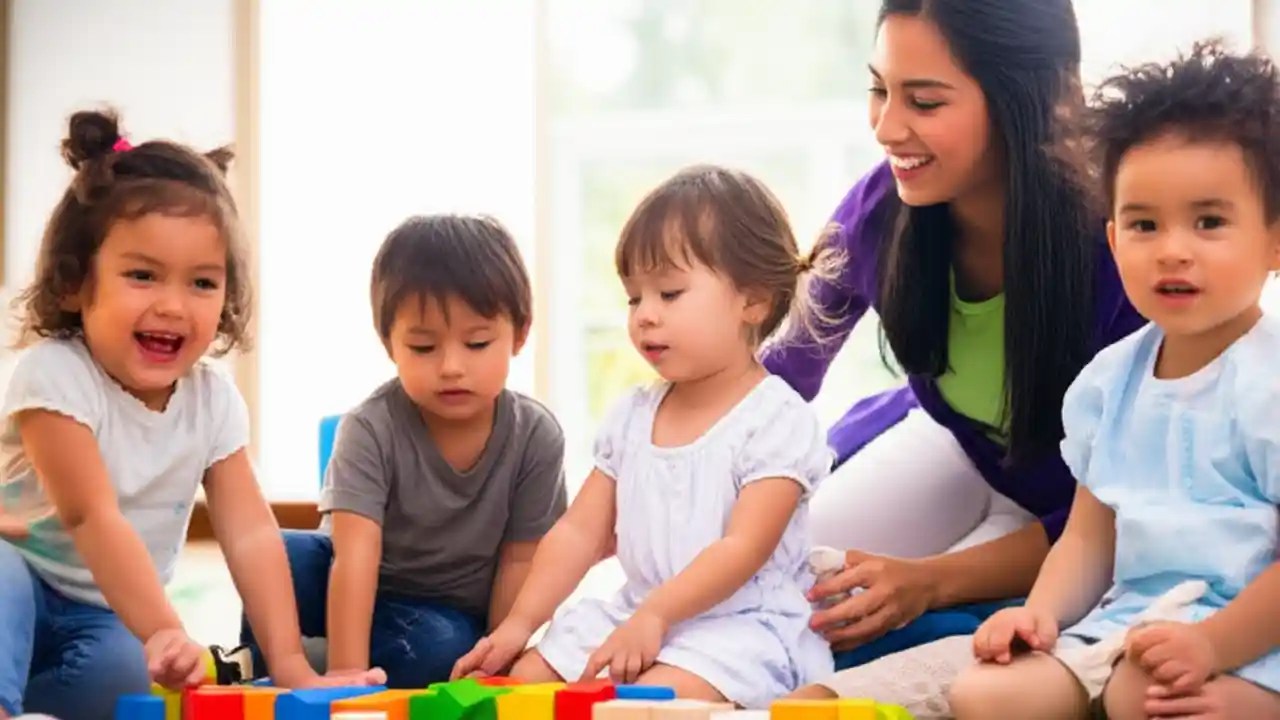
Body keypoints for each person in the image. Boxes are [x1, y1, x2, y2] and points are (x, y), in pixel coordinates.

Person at [763, 0, 1144, 682]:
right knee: (773, 584)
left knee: (926, 638)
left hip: (1075, 518)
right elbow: (775, 377)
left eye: (925, 101)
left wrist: (931, 581)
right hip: (954, 448)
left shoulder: (1121, 252)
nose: (886, 127)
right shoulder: (881, 207)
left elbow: (1117, 519)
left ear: (1025, 101)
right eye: (879, 90)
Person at [0, 109, 381, 720]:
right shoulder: (53, 376)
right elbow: (90, 515)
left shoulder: (213, 402)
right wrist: (163, 629)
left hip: (103, 611)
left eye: (203, 283)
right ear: (74, 284)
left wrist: (290, 664)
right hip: (19, 574)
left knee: (123, 679)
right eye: (143, 275)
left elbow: (252, 533)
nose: (174, 305)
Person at [949, 41, 1280, 720]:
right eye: (1144, 224)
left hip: (1253, 638)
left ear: (1275, 241)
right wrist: (1038, 617)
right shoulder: (1110, 382)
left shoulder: (1269, 382)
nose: (1173, 248)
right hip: (1130, 629)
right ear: (1112, 238)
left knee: (1146, 697)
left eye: (1209, 221)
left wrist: (1213, 645)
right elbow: (1088, 539)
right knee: (985, 696)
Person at [450, 165, 837, 709]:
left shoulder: (775, 419)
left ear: (753, 301)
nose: (645, 316)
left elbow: (744, 547)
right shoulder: (633, 415)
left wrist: (658, 615)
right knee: (521, 686)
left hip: (741, 628)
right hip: (636, 611)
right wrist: (519, 627)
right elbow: (579, 533)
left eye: (670, 293)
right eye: (634, 298)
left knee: (646, 703)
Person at [239, 215, 567, 688]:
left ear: (519, 333)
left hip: (442, 618)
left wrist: (496, 661)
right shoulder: (370, 428)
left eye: (477, 343)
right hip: (351, 586)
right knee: (278, 557)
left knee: (440, 646)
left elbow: (521, 562)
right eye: (423, 346)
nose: (452, 367)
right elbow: (353, 559)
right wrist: (347, 676)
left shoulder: (536, 436)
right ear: (389, 343)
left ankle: (328, 656)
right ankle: (263, 667)